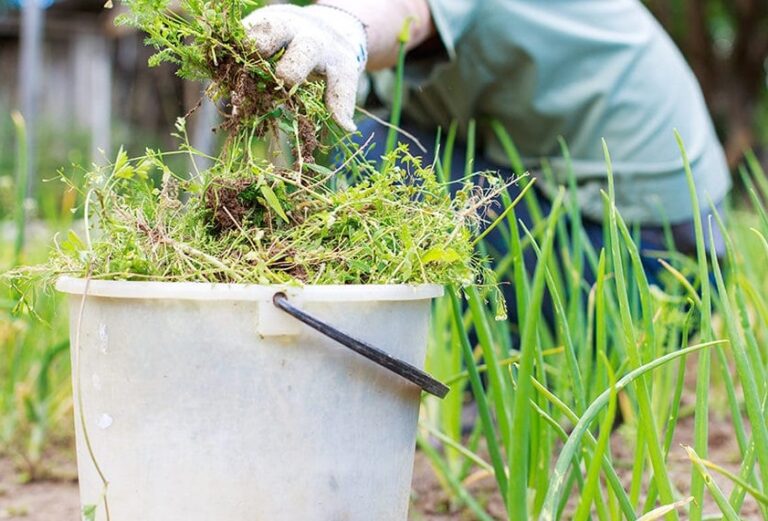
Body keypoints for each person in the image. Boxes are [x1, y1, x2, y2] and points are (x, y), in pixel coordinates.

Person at [242, 0, 730, 297]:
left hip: (652, 261)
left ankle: (490, 378)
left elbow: (405, 12)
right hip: (630, 236)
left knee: (372, 156)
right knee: (378, 140)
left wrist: (339, 23)